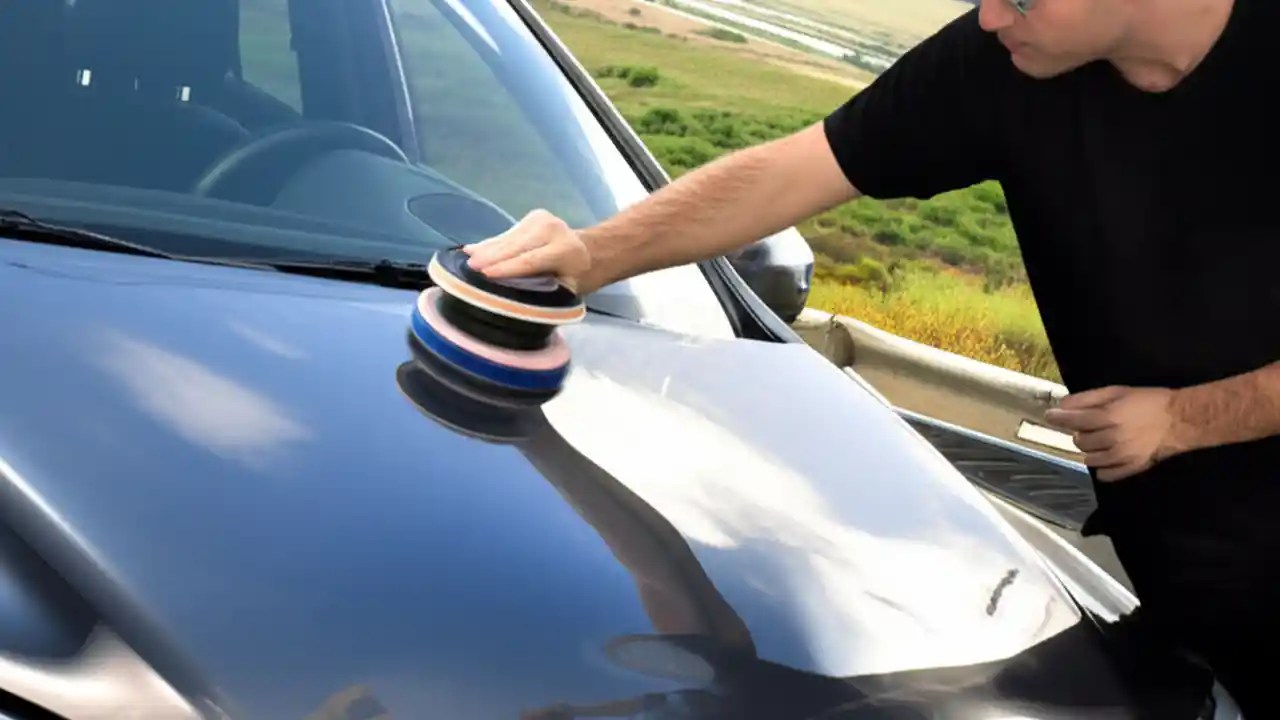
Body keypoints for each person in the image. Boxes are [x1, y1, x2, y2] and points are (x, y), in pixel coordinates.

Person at [464, 0, 1280, 712]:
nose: (991, 16)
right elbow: (796, 169)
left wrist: (1182, 419)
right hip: (1187, 614)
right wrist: (591, 254)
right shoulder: (1005, 63)